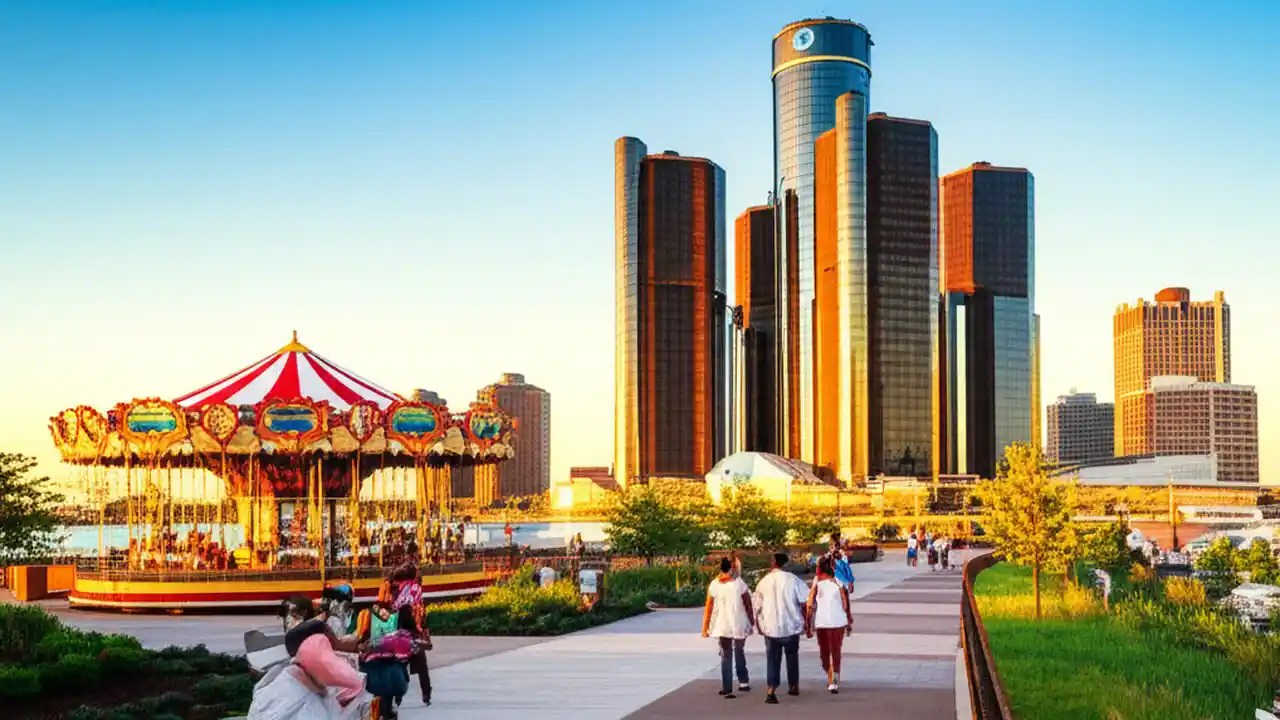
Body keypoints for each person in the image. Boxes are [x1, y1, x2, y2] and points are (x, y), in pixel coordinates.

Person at [754, 552, 807, 704]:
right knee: (792, 656)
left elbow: (756, 605)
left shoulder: (763, 581)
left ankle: (771, 690)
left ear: (774, 563)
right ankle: (793, 685)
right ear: (785, 563)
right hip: (791, 625)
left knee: (772, 659)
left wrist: (758, 624)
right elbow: (805, 600)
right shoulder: (793, 580)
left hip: (770, 627)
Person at [701, 556, 755, 699]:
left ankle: (727, 687)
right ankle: (743, 681)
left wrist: (705, 626)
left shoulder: (714, 584)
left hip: (722, 624)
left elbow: (709, 606)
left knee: (725, 655)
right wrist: (752, 621)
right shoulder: (739, 583)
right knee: (739, 650)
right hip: (739, 622)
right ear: (731, 568)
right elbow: (748, 603)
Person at [360, 606, 418, 719]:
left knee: (381, 694)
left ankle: (382, 711)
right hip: (393, 677)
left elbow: (367, 651)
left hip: (371, 672)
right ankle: (387, 711)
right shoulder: (409, 639)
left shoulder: (387, 637)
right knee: (389, 690)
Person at [806, 556, 853, 694]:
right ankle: (834, 676)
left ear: (820, 567)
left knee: (826, 652)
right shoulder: (834, 582)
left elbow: (809, 604)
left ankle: (832, 678)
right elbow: (846, 604)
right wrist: (849, 620)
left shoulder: (824, 582)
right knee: (833, 651)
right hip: (832, 622)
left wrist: (807, 624)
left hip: (829, 622)